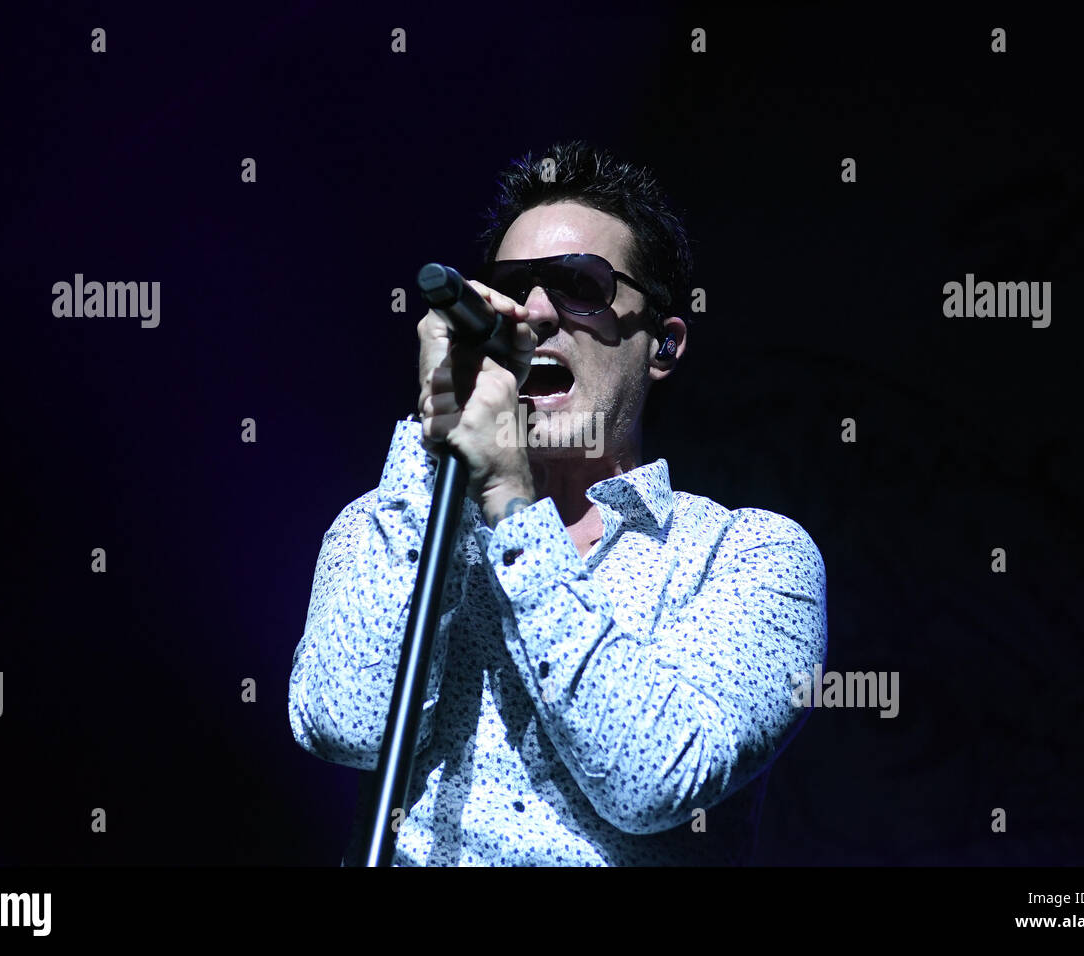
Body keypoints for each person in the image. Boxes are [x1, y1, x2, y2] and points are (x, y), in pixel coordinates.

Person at [288, 140, 827, 865]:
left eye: (580, 283)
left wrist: (516, 508)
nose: (537, 312)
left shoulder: (748, 556)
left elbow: (658, 778)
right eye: (512, 288)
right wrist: (436, 430)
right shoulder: (390, 520)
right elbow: (345, 724)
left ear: (661, 345)